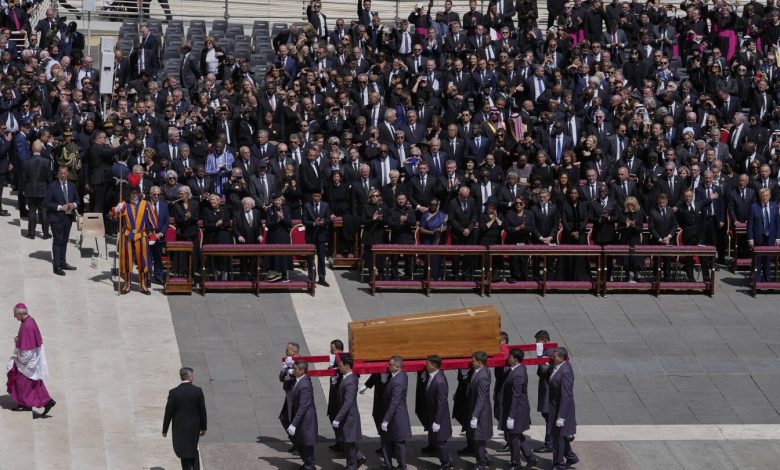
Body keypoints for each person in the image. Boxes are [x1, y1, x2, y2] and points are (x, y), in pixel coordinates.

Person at [6, 303, 56, 415]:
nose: (14, 316)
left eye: (15, 314)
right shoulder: (28, 321)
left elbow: (27, 352)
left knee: (22, 382)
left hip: (28, 361)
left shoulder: (27, 327)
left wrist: (18, 354)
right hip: (30, 358)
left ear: (20, 314)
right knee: (29, 382)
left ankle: (45, 402)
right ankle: (29, 403)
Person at [114, 185, 158, 295]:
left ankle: (142, 285)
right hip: (127, 235)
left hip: (141, 235)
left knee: (142, 261)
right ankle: (127, 284)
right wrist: (116, 209)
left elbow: (152, 221)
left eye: (136, 193)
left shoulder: (146, 204)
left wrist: (152, 235)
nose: (134, 195)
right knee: (127, 260)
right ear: (129, 194)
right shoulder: (125, 205)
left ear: (139, 194)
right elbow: (114, 216)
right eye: (132, 193)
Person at [162, 367, 207, 470]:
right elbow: (202, 411)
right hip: (194, 426)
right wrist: (204, 427)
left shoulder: (174, 393)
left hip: (180, 427)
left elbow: (168, 413)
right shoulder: (197, 391)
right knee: (193, 448)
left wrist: (165, 430)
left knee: (183, 450)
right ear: (189, 377)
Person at [331, 353, 367, 469]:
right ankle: (359, 458)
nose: (338, 368)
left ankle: (352, 466)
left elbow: (348, 402)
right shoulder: (346, 378)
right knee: (347, 443)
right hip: (346, 417)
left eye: (340, 366)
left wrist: (338, 418)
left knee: (349, 445)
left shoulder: (351, 380)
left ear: (347, 366)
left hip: (349, 418)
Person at [44, 166, 79, 276]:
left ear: (68, 174)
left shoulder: (72, 186)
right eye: (61, 173)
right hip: (56, 218)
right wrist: (60, 207)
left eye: (65, 173)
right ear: (58, 174)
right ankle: (56, 266)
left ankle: (62, 262)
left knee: (64, 240)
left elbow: (78, 200)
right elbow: (46, 203)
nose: (63, 175)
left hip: (68, 218)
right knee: (58, 241)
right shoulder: (52, 186)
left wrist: (74, 205)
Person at [285, 360, 318, 470]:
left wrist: (294, 424)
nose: (293, 370)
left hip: (306, 418)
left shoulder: (305, 385)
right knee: (301, 442)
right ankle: (308, 464)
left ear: (302, 370)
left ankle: (310, 466)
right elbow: (285, 383)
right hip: (300, 417)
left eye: (295, 369)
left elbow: (303, 406)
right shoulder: (298, 379)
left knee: (307, 443)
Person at [381, 355, 412, 470]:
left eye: (390, 364)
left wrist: (386, 420)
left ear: (397, 367)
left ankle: (402, 466)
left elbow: (394, 402)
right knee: (386, 440)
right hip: (393, 415)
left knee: (399, 443)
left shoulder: (399, 381)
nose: (387, 366)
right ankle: (388, 465)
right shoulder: (398, 375)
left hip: (397, 416)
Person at [549, 347, 578, 470]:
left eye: (555, 356)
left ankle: (559, 464)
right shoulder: (558, 366)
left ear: (561, 358)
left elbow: (566, 395)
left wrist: (561, 416)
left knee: (558, 438)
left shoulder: (565, 372)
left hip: (561, 410)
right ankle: (571, 457)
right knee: (560, 436)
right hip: (556, 407)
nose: (552, 358)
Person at [423, 354, 453, 470]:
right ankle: (449, 461)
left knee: (441, 442)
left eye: (427, 363)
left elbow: (441, 403)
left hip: (439, 417)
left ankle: (446, 464)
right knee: (439, 441)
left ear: (434, 365)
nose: (425, 364)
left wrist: (437, 421)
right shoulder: (433, 376)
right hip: (433, 415)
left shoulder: (439, 381)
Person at [747, 188, 780, 282]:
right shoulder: (754, 207)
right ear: (760, 197)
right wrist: (750, 238)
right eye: (763, 196)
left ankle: (767, 280)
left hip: (771, 237)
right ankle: (756, 281)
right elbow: (750, 224)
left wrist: (778, 237)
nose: (765, 198)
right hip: (758, 237)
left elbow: (778, 223)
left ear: (769, 196)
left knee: (768, 259)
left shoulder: (774, 206)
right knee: (757, 260)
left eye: (766, 196)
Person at [467, 351, 493, 470]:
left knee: (479, 440)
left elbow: (481, 398)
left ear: (479, 362)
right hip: (477, 411)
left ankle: (481, 464)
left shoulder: (482, 377)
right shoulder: (481, 371)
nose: (471, 363)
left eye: (473, 361)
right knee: (478, 439)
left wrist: (475, 416)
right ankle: (486, 459)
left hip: (480, 414)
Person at [303, 188, 333, 286]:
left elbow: (328, 219)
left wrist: (323, 222)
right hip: (310, 235)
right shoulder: (307, 205)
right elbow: (304, 220)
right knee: (310, 258)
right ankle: (311, 278)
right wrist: (314, 223)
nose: (316, 198)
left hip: (321, 235)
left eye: (318, 196)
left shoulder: (326, 205)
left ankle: (322, 278)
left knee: (321, 258)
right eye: (315, 196)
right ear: (312, 196)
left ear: (321, 196)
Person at [22, 141, 51, 239]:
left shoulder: (27, 162)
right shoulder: (47, 162)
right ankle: (45, 233)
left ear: (32, 149)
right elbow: (49, 178)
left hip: (30, 190)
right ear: (41, 149)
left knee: (32, 211)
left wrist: (24, 189)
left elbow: (24, 178)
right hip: (43, 190)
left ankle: (31, 233)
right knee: (44, 212)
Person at [534, 330, 554, 454]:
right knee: (548, 417)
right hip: (546, 389)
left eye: (538, 341)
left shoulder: (549, 353)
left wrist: (540, 357)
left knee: (549, 417)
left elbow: (543, 370)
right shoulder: (549, 351)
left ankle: (549, 443)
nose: (536, 344)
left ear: (545, 341)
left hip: (548, 391)